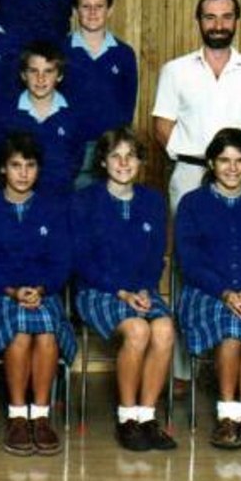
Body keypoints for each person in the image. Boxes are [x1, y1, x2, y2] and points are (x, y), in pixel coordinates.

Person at [0, 132, 75, 457]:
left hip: (43, 293)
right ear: (3, 169)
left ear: (38, 170)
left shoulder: (52, 209)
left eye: (30, 165)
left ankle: (40, 416)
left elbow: (61, 261)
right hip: (0, 295)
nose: (23, 173)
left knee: (44, 330)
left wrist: (40, 288)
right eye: (15, 165)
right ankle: (17, 415)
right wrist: (14, 290)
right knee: (18, 330)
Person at [175, 128, 241, 452]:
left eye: (240, 161)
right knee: (231, 329)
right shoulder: (192, 203)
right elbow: (188, 260)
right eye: (224, 160)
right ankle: (226, 417)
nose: (232, 168)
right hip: (205, 291)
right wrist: (223, 292)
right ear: (211, 163)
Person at [71, 128, 176, 451]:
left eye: (130, 155)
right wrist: (121, 292)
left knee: (164, 329)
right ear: (102, 161)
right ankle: (127, 418)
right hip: (98, 290)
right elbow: (80, 259)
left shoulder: (153, 202)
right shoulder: (85, 200)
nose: (123, 162)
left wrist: (144, 290)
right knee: (137, 331)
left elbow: (156, 256)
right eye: (115, 155)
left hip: (140, 290)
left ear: (141, 161)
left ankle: (147, 417)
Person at [152, 0, 241, 211]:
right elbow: (162, 126)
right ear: (198, 21)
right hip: (189, 175)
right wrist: (187, 159)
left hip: (239, 175)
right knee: (190, 243)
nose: (218, 25)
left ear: (237, 20)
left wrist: (235, 162)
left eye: (227, 17)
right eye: (210, 17)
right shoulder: (175, 70)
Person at [62, 0, 139, 190]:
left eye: (99, 7)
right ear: (76, 11)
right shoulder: (61, 51)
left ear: (110, 10)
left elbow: (127, 104)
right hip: (72, 147)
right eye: (86, 7)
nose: (93, 12)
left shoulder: (124, 54)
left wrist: (119, 147)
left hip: (111, 149)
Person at [0, 41, 85, 198]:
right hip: (17, 201)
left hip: (59, 200)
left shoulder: (73, 116)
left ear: (60, 75)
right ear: (23, 75)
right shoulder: (6, 114)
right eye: (33, 71)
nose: (40, 78)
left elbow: (76, 159)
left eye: (48, 71)